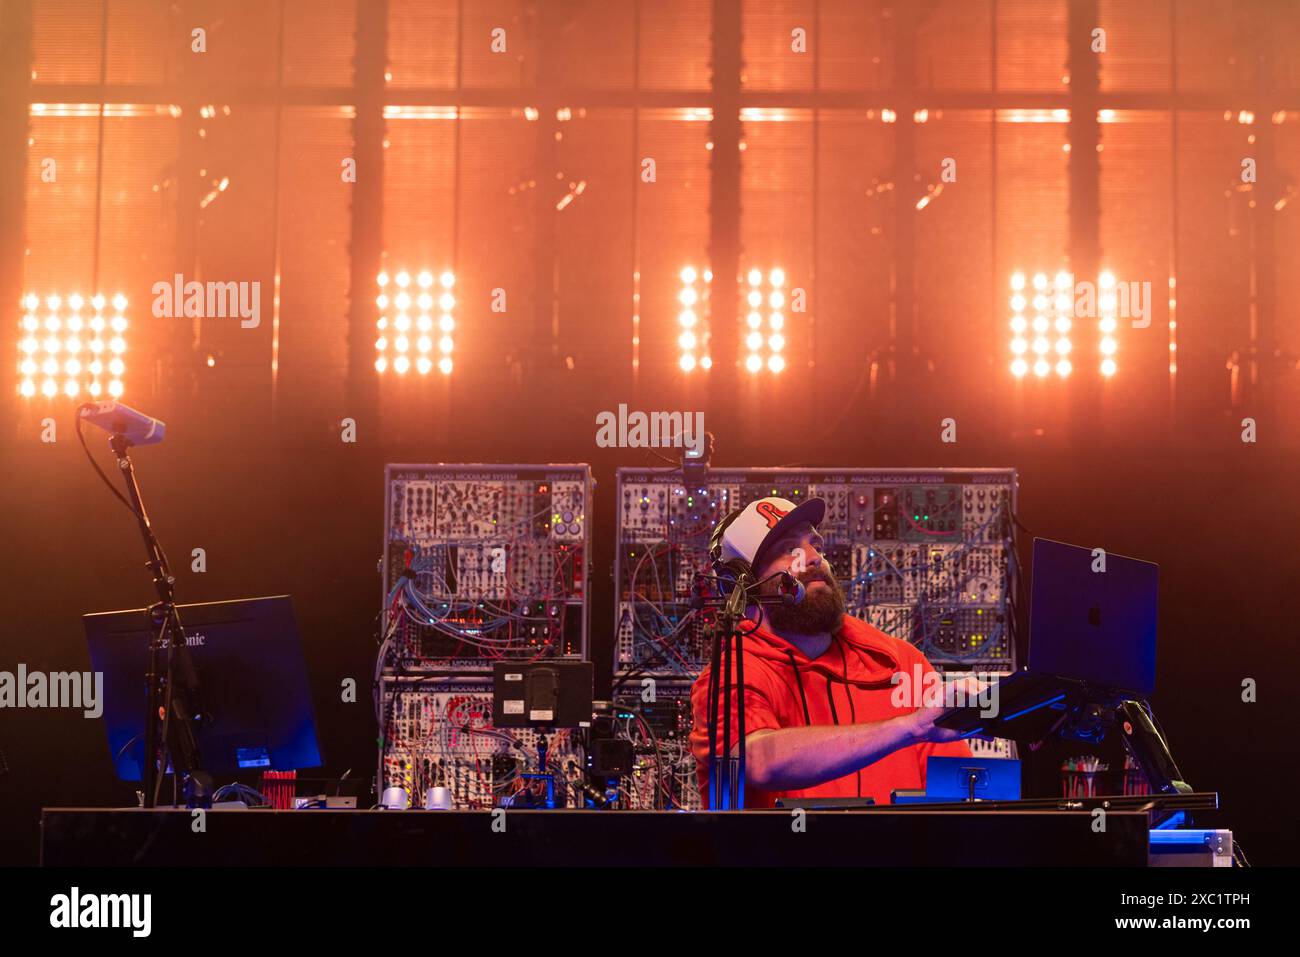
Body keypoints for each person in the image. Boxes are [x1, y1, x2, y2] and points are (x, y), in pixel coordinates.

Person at [690, 495, 975, 808]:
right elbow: (757, 760)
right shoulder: (732, 673)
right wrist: (910, 727)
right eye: (789, 549)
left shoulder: (902, 662)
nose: (814, 558)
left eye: (817, 545)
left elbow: (962, 794)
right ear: (740, 585)